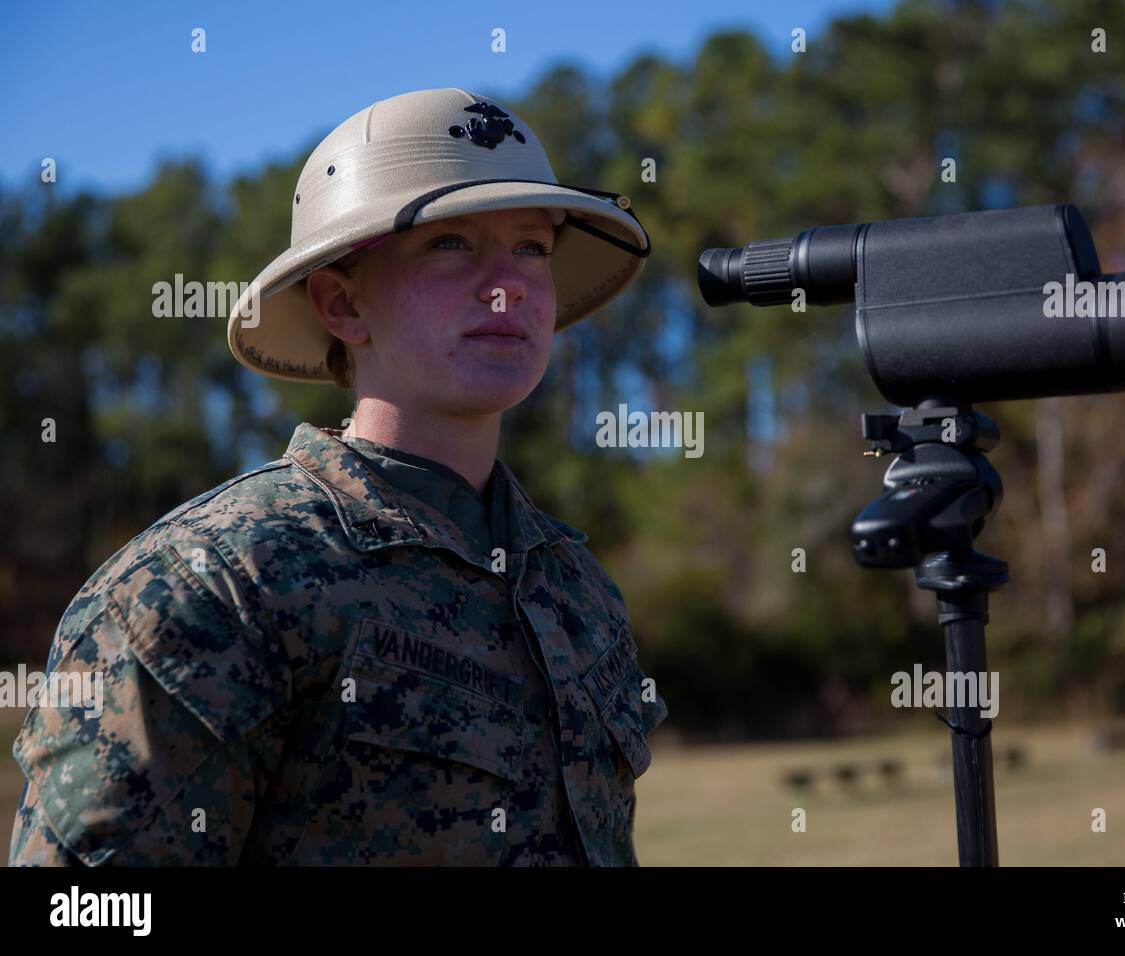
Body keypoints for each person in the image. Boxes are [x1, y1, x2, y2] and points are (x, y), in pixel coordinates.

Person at [8, 88, 666, 866]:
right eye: (451, 244)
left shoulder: (576, 592)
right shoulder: (212, 580)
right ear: (342, 302)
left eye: (532, 247)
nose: (508, 283)